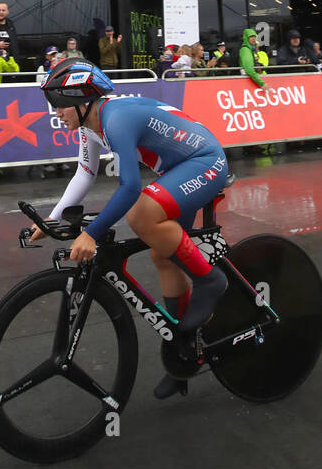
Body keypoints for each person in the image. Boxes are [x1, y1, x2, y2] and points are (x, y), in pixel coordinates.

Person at [31, 60, 231, 401]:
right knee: (163, 255)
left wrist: (91, 233)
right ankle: (182, 354)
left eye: (61, 106)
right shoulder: (89, 127)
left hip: (204, 161)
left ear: (83, 102)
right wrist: (50, 220)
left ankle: (211, 281)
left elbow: (128, 186)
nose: (57, 113)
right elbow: (84, 175)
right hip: (179, 166)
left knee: (141, 216)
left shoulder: (115, 118)